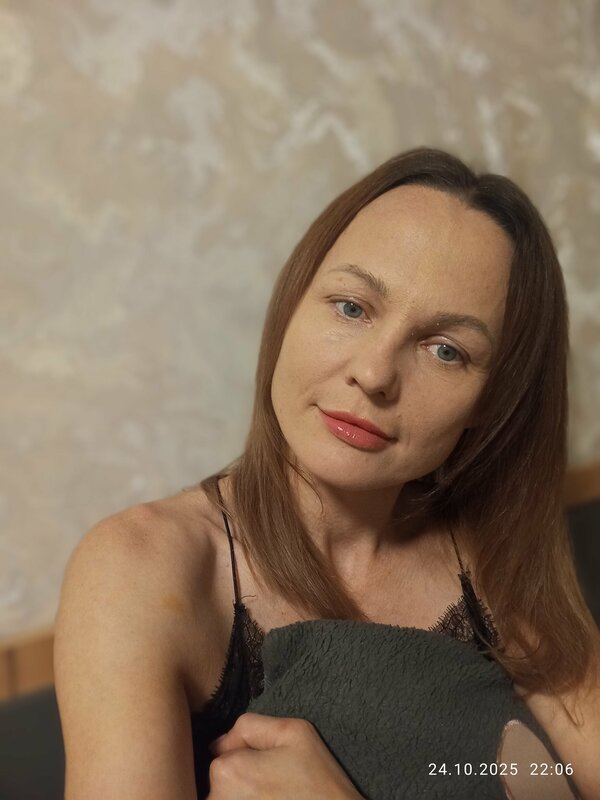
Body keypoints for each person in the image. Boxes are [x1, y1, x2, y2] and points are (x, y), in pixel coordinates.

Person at [53, 147, 600, 800]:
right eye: (351, 307)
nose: (373, 373)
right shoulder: (140, 568)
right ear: (292, 304)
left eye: (445, 350)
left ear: (493, 402)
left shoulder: (495, 556)